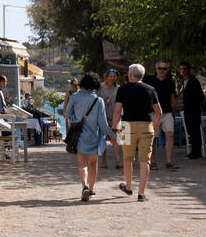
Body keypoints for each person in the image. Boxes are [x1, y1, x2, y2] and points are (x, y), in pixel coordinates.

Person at [112, 63, 164, 202]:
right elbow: (159, 111)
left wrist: (114, 127)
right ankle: (141, 193)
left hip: (127, 126)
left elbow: (117, 111)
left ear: (130, 75)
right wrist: (156, 124)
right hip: (146, 126)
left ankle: (128, 187)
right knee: (145, 160)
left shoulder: (122, 89)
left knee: (127, 158)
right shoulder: (150, 89)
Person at [67, 72, 116, 202]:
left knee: (82, 163)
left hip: (79, 135)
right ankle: (92, 189)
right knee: (93, 163)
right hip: (94, 136)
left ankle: (84, 186)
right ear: (95, 85)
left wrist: (76, 121)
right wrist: (112, 135)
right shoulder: (98, 100)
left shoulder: (74, 97)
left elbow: (67, 114)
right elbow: (103, 123)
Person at [143, 60, 179, 170]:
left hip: (167, 112)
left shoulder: (171, 82)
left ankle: (168, 161)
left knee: (170, 135)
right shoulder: (149, 80)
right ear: (156, 68)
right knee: (153, 138)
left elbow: (172, 99)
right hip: (153, 113)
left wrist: (173, 114)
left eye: (164, 68)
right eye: (159, 68)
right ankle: (153, 162)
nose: (162, 71)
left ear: (167, 70)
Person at [179, 62, 206, 158]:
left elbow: (201, 96)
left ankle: (197, 153)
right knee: (190, 132)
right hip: (187, 110)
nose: (183, 71)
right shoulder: (183, 81)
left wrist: (194, 104)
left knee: (195, 131)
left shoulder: (193, 81)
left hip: (193, 110)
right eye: (181, 69)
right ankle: (193, 152)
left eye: (185, 69)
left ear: (189, 70)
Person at [97, 69, 122, 169]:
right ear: (106, 76)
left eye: (114, 76)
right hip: (102, 117)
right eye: (110, 75)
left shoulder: (119, 88)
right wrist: (103, 102)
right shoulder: (100, 88)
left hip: (116, 116)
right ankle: (103, 161)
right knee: (103, 139)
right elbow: (95, 100)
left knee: (115, 139)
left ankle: (118, 162)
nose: (112, 77)